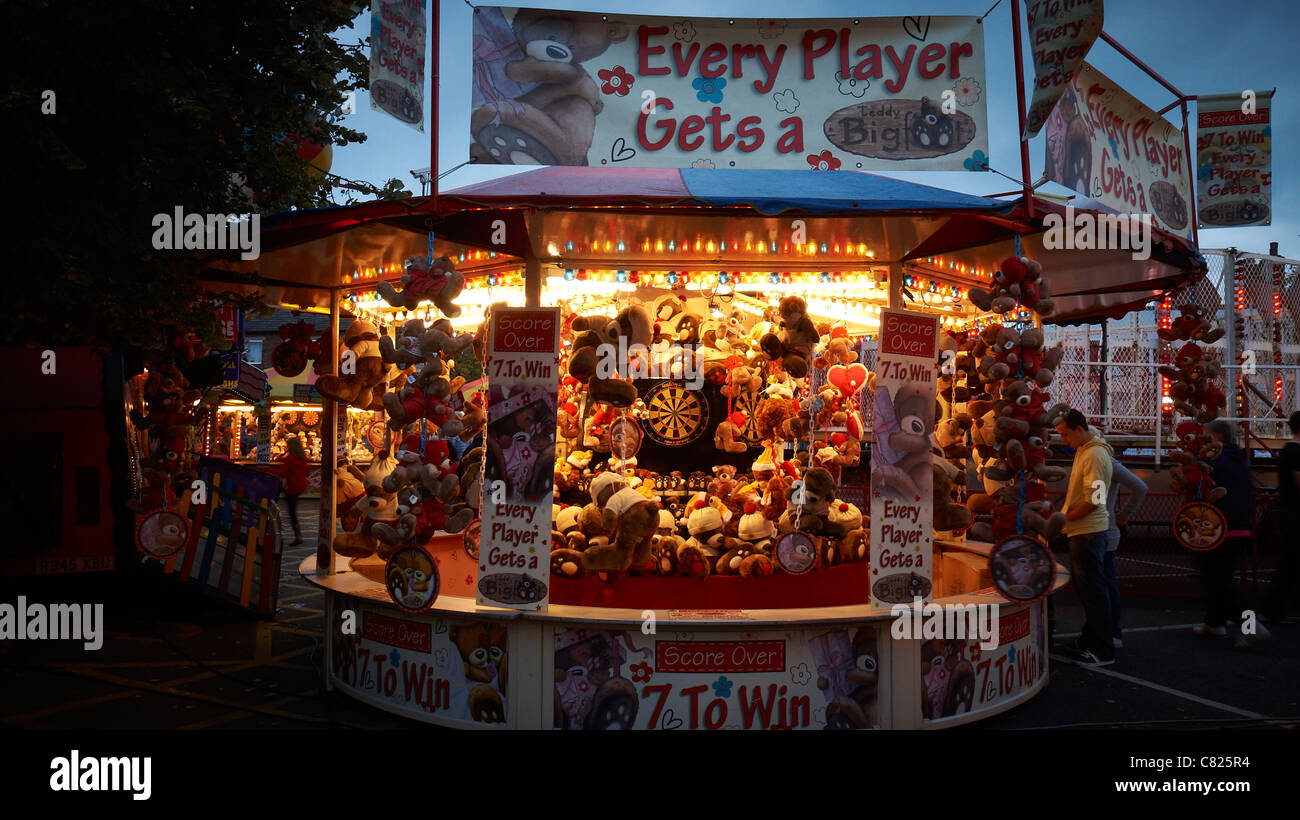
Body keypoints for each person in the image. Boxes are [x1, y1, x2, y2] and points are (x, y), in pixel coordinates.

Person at [1193, 421, 1266, 648]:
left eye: (1205, 435)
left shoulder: (1213, 461)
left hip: (1217, 527)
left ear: (1215, 436)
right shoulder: (1240, 459)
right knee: (1220, 577)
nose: (1201, 439)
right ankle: (1214, 622)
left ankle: (1250, 627)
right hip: (1240, 525)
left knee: (1217, 579)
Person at [1055, 409, 1115, 666]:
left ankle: (1102, 648)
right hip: (1086, 530)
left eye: (1065, 434)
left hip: (1087, 531)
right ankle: (1091, 639)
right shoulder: (1088, 447)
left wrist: (1064, 520)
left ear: (1079, 430)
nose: (1063, 439)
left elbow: (1095, 499)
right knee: (1090, 590)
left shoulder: (1093, 454)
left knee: (1093, 591)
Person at [1103, 455, 1147, 649]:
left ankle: (1110, 632)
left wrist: (1124, 515)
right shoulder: (1103, 461)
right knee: (1105, 581)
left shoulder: (1106, 463)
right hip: (1104, 528)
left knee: (1104, 582)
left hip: (1102, 530)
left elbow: (1140, 487)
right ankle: (1108, 632)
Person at [1264, 411, 1300, 624]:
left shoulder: (1290, 451)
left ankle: (1274, 607)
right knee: (1290, 561)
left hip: (1290, 511)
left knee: (1290, 561)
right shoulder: (1295, 453)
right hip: (1294, 513)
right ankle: (1272, 608)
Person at [266, 436, 309, 545]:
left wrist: (266, 469)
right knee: (292, 511)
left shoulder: (290, 459)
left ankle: (297, 536)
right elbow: (306, 472)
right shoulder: (302, 458)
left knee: (291, 512)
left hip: (291, 487)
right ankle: (297, 534)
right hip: (299, 486)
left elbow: (283, 472)